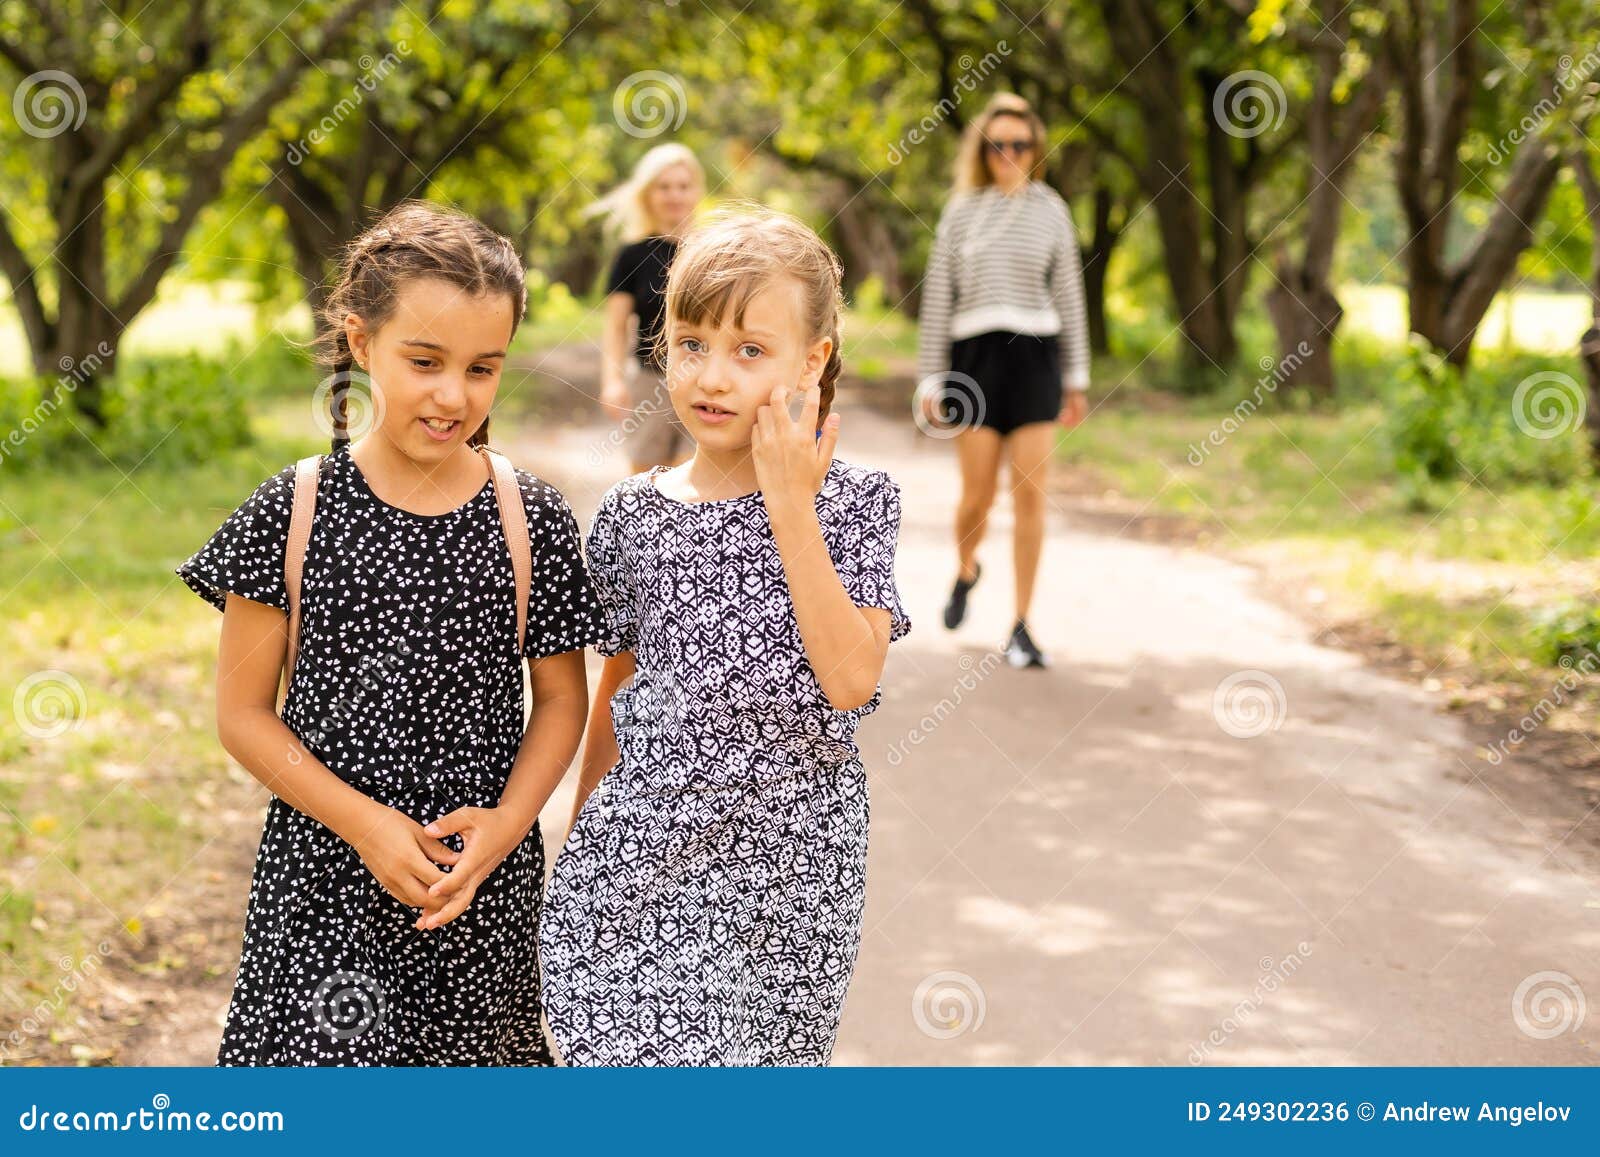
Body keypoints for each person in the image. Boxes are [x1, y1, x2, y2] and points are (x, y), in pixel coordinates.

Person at [176, 201, 604, 1065]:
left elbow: (563, 700)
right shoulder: (291, 510)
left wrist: (511, 822)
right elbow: (243, 715)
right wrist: (367, 825)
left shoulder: (533, 520)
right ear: (361, 342)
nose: (454, 396)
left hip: (474, 898)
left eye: (483, 368)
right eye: (425, 361)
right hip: (321, 892)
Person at [538, 208, 912, 1066]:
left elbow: (852, 678)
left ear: (812, 361)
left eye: (750, 350)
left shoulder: (856, 503)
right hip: (639, 858)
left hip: (790, 877)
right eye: (692, 343)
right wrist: (579, 841)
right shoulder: (634, 514)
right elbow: (617, 692)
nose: (712, 375)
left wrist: (790, 503)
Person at [916, 92, 1090, 669]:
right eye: (998, 146)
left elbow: (1069, 296)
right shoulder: (961, 211)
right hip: (976, 362)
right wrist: (929, 378)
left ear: (1036, 149)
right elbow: (938, 298)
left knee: (1030, 498)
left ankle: (1021, 623)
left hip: (1038, 358)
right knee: (977, 498)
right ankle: (966, 568)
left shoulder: (1053, 210)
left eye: (1021, 144)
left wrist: (1076, 378)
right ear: (983, 151)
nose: (1009, 154)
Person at [589, 142, 705, 473]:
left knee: (697, 474)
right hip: (652, 381)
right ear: (648, 194)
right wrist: (612, 380)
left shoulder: (711, 250)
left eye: (683, 186)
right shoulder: (632, 255)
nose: (674, 195)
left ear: (696, 192)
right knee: (648, 480)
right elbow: (615, 325)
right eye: (664, 187)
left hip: (706, 379)